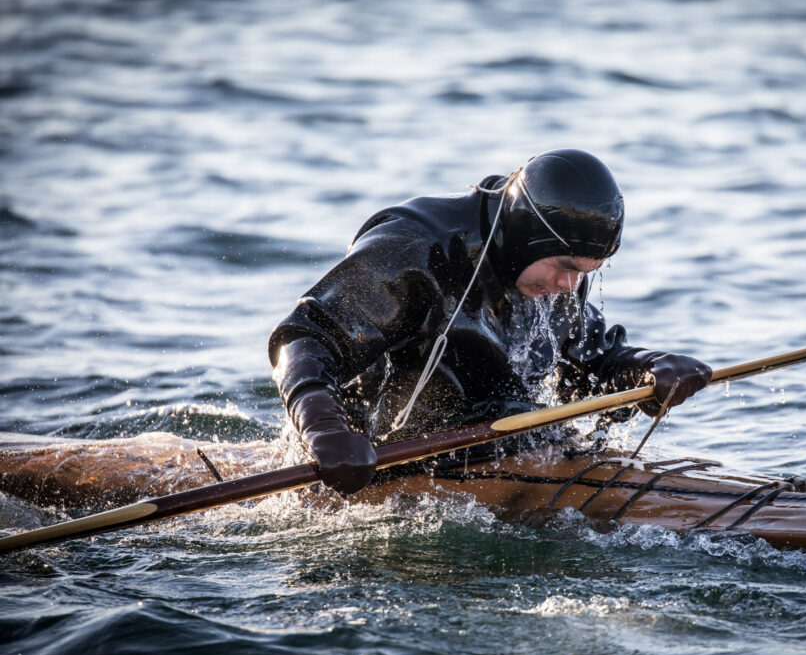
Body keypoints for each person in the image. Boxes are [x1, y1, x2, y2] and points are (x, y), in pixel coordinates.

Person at [269, 149, 711, 495]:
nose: (570, 284)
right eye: (565, 266)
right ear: (525, 234)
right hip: (375, 464)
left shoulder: (550, 277)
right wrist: (325, 431)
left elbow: (588, 364)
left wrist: (649, 370)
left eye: (585, 272)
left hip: (508, 455)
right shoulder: (413, 248)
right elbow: (306, 339)